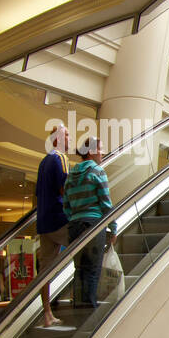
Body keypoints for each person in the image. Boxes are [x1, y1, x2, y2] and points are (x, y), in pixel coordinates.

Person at [63, 136, 116, 308]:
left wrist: (75, 218)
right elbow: (106, 204)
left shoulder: (71, 175)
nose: (102, 153)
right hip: (93, 225)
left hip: (74, 227)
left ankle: (78, 310)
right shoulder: (97, 171)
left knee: (79, 271)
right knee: (93, 271)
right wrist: (113, 228)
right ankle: (89, 312)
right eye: (100, 149)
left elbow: (66, 206)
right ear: (92, 152)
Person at [36, 122, 70, 327]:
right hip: (59, 220)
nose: (70, 140)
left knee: (45, 271)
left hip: (44, 222)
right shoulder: (60, 159)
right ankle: (82, 298)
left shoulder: (43, 162)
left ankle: (47, 313)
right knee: (86, 245)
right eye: (67, 136)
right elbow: (65, 191)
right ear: (57, 139)